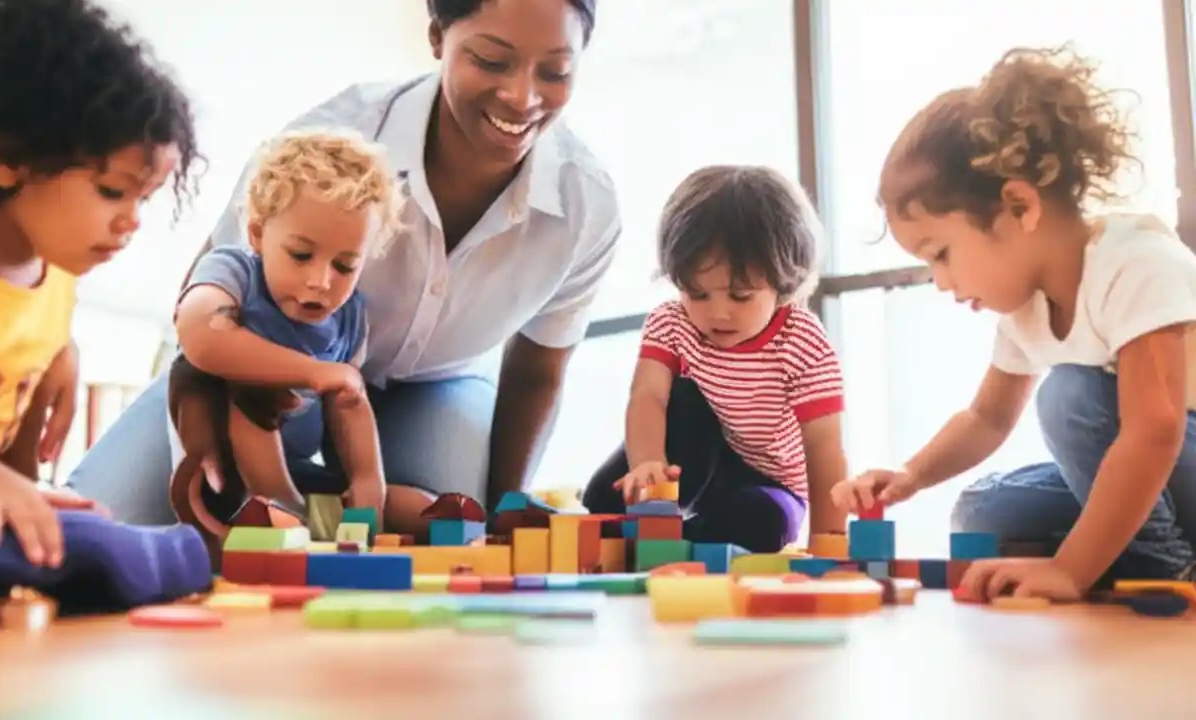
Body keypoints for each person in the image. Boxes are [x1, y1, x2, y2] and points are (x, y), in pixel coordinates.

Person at [69, 0, 620, 536]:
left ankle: (310, 513)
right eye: (491, 61)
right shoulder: (333, 142)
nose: (523, 97)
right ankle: (293, 507)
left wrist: (506, 510)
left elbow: (535, 372)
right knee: (107, 523)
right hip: (262, 379)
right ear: (437, 37)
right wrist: (196, 414)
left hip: (438, 385)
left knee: (436, 529)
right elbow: (208, 304)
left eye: (555, 71)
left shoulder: (584, 204)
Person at [831, 46, 1196, 601]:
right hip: (1161, 478)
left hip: (1175, 449)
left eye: (941, 253)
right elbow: (987, 417)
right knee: (987, 510)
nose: (941, 282)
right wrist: (911, 476)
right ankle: (1114, 556)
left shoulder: (1136, 261)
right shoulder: (1026, 308)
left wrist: (1069, 569)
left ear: (1019, 207)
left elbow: (1157, 428)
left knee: (1069, 397)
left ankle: (1166, 572)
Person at [0, 0, 199, 565]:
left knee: (135, 545)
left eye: (143, 199)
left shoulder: (54, 277)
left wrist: (31, 495)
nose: (131, 221)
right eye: (112, 192)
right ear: (10, 160)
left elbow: (13, 439)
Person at [581, 166, 849, 554]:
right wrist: (647, 464)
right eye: (697, 293)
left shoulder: (800, 339)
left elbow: (824, 446)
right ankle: (639, 531)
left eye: (740, 296)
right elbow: (648, 397)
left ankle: (680, 544)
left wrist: (829, 544)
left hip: (768, 482)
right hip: (692, 464)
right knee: (603, 499)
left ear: (783, 282)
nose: (717, 314)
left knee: (762, 521)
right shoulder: (671, 322)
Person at [168, 130, 400, 527]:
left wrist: (367, 480)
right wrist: (315, 371)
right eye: (301, 255)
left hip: (296, 470)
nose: (321, 281)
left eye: (345, 266)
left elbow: (348, 402)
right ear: (258, 235)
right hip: (220, 472)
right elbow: (200, 334)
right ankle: (280, 508)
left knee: (405, 506)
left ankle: (303, 514)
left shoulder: (349, 317)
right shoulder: (236, 272)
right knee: (255, 386)